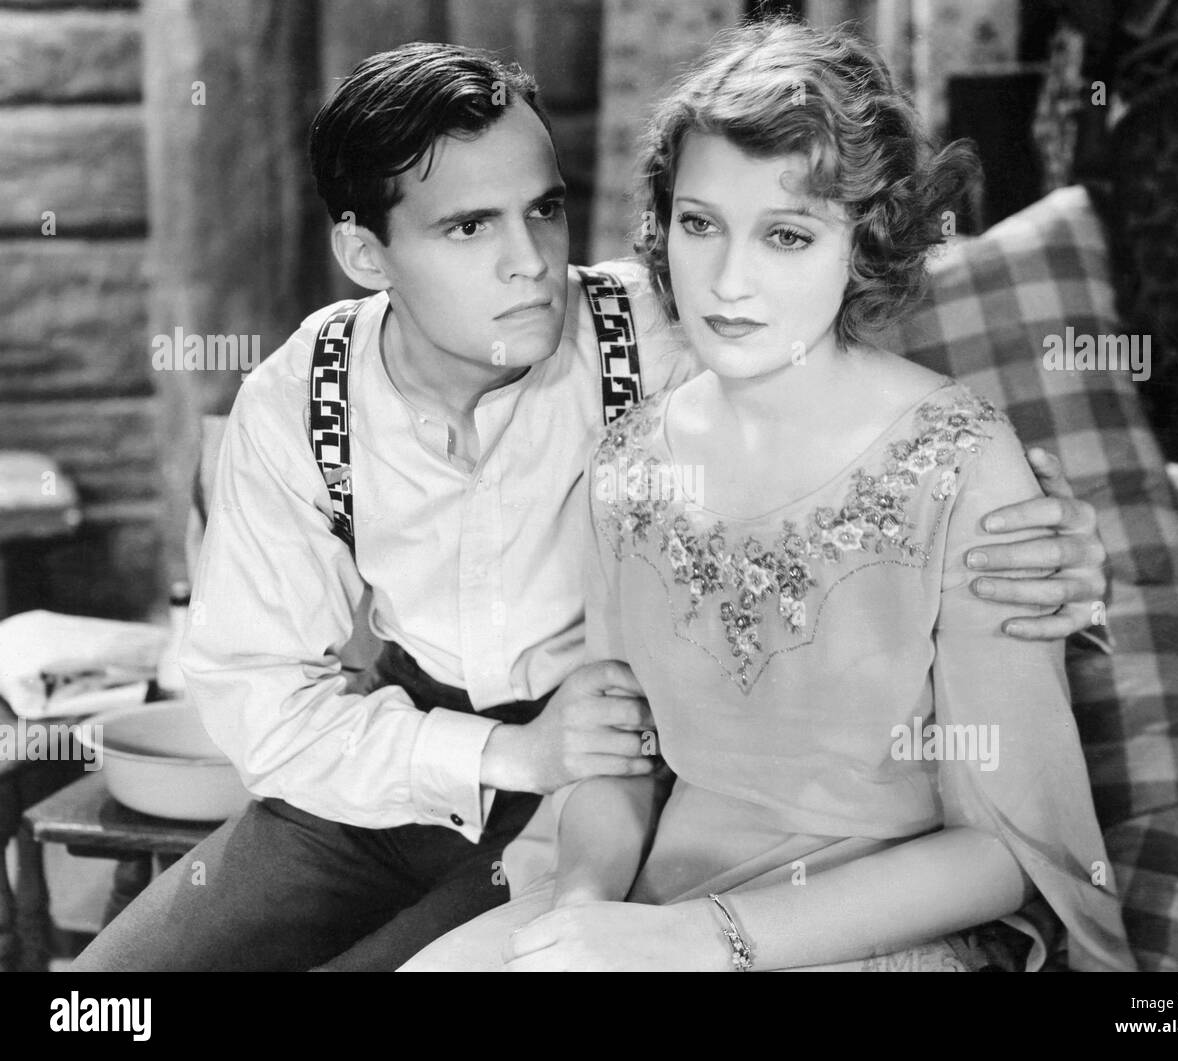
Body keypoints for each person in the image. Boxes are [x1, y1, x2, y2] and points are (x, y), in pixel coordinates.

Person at [74, 40, 1109, 973]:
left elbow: (859, 422)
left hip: (592, 788)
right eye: (468, 226)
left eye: (545, 208)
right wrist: (512, 757)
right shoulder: (297, 402)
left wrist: (1059, 539)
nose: (529, 262)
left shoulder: (662, 331)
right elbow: (260, 700)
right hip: (400, 761)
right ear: (366, 255)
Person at [401, 21, 1135, 972]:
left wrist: (696, 940)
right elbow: (617, 766)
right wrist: (579, 919)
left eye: (787, 235)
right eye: (702, 225)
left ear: (862, 242)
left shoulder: (961, 461)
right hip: (657, 899)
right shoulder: (628, 461)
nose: (730, 281)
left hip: (883, 924)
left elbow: (1006, 851)